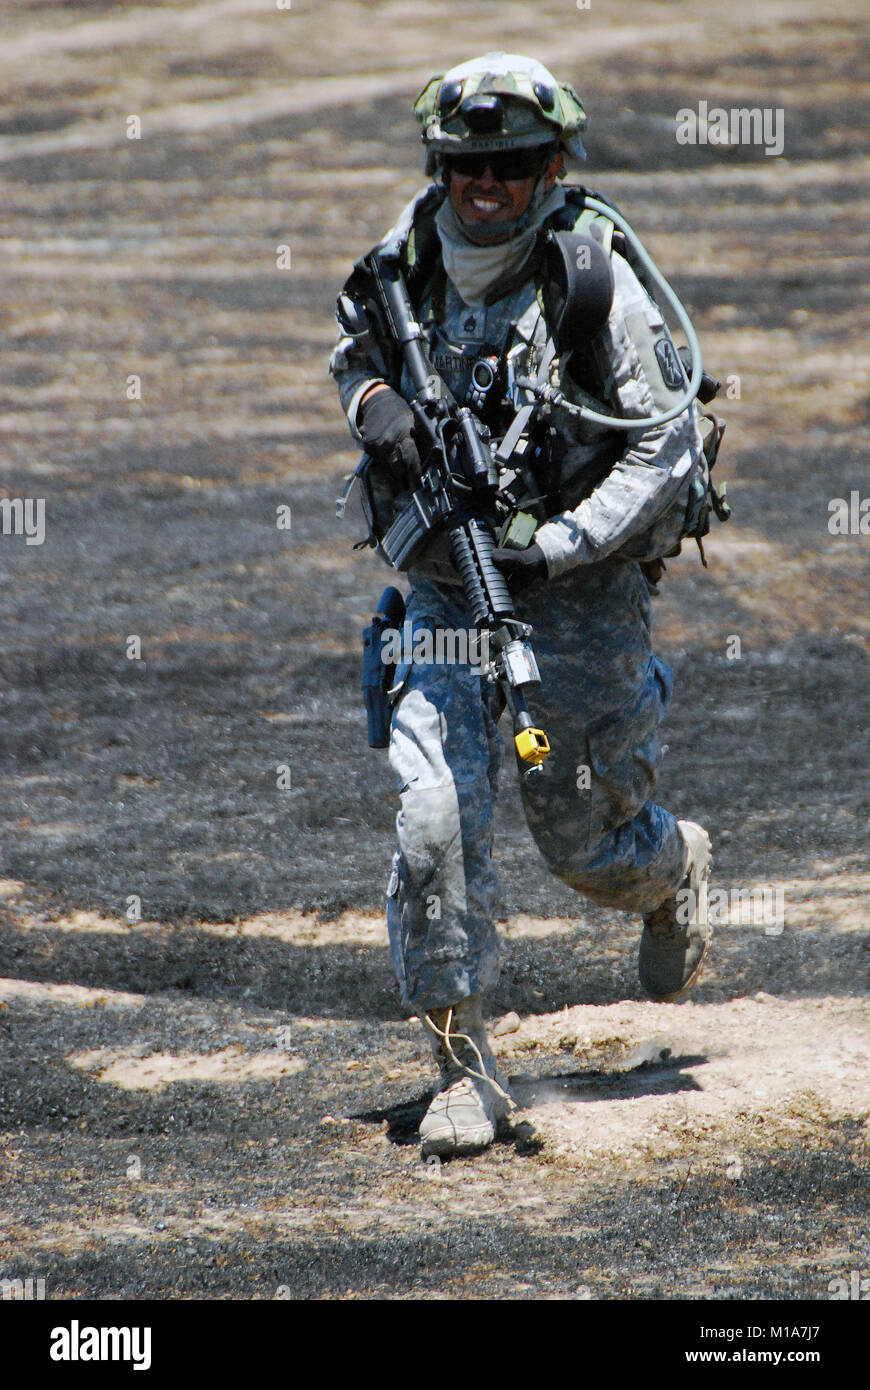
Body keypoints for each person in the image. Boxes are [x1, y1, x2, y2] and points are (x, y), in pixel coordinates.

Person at [329, 52, 714, 1159]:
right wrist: (378, 406)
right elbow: (349, 347)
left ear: (552, 166)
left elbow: (663, 448)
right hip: (447, 584)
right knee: (435, 820)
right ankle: (463, 1071)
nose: (484, 185)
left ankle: (669, 865)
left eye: (510, 163)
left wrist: (559, 543)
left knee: (583, 839)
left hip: (576, 590)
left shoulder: (596, 282)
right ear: (439, 167)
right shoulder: (408, 258)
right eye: (463, 164)